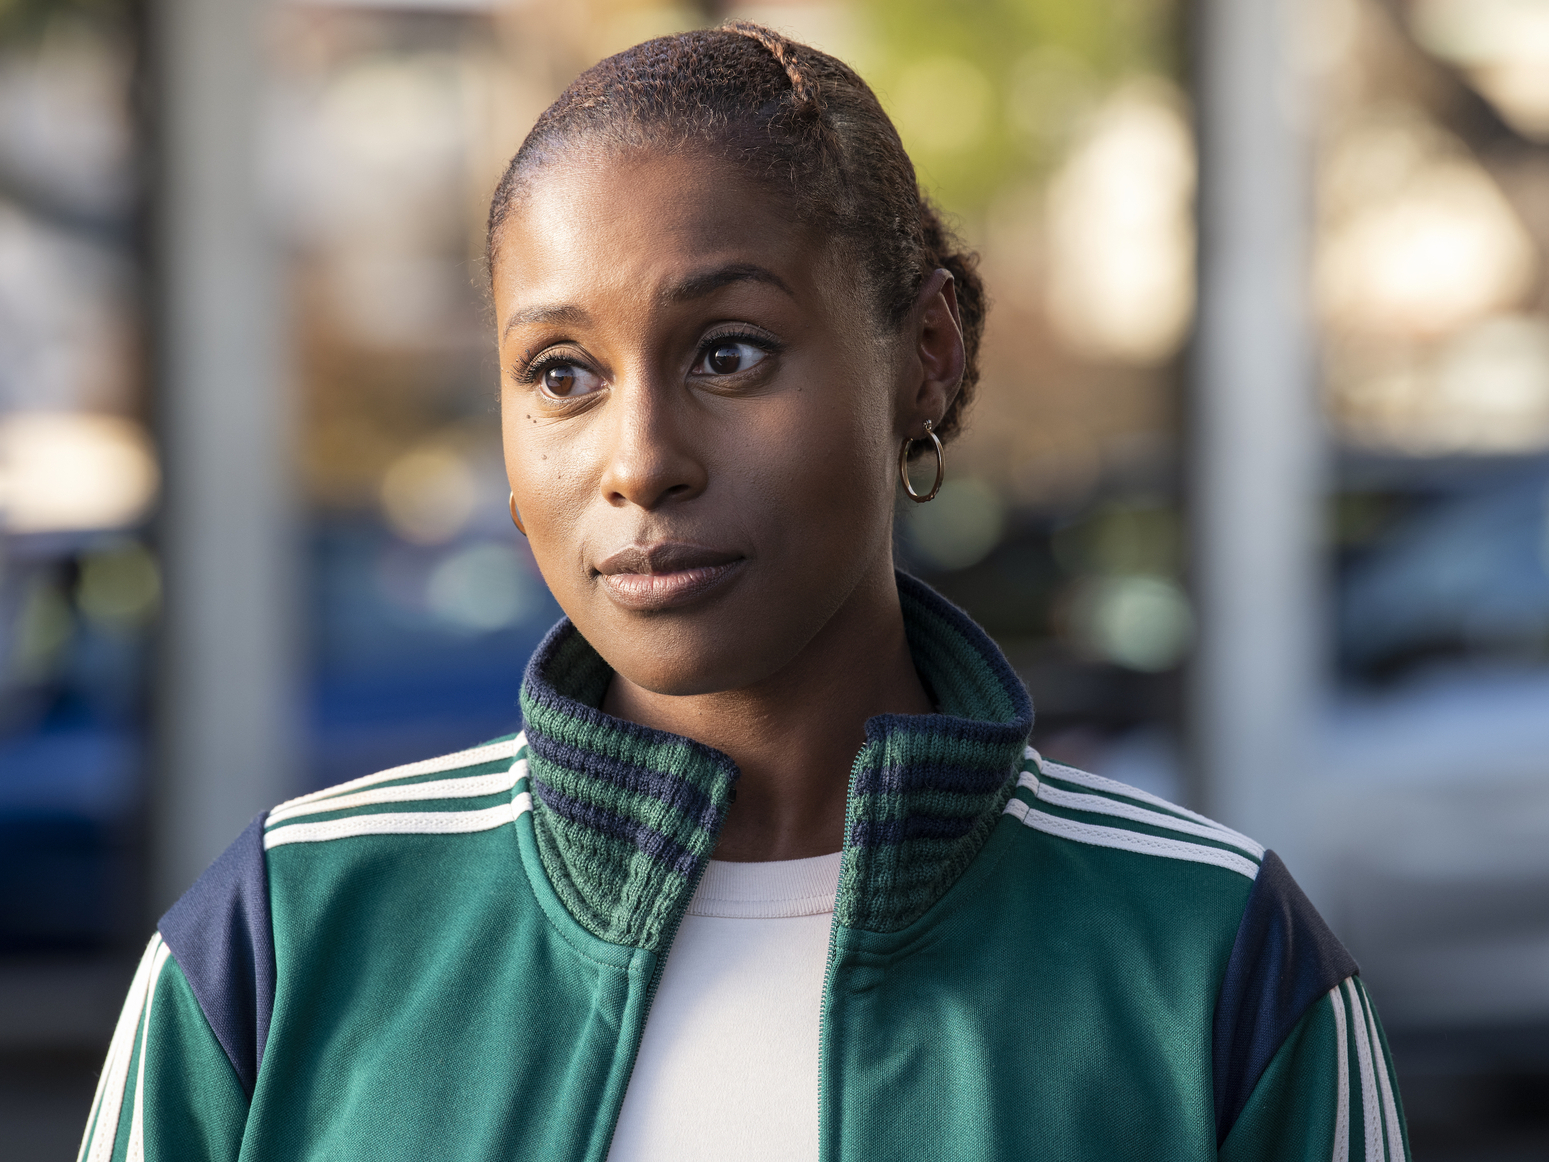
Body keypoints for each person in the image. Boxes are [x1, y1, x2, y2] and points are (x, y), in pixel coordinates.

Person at [80, 23, 1408, 1162]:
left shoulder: (1214, 958)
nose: (640, 459)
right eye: (560, 373)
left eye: (728, 352)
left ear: (922, 357)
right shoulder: (283, 939)